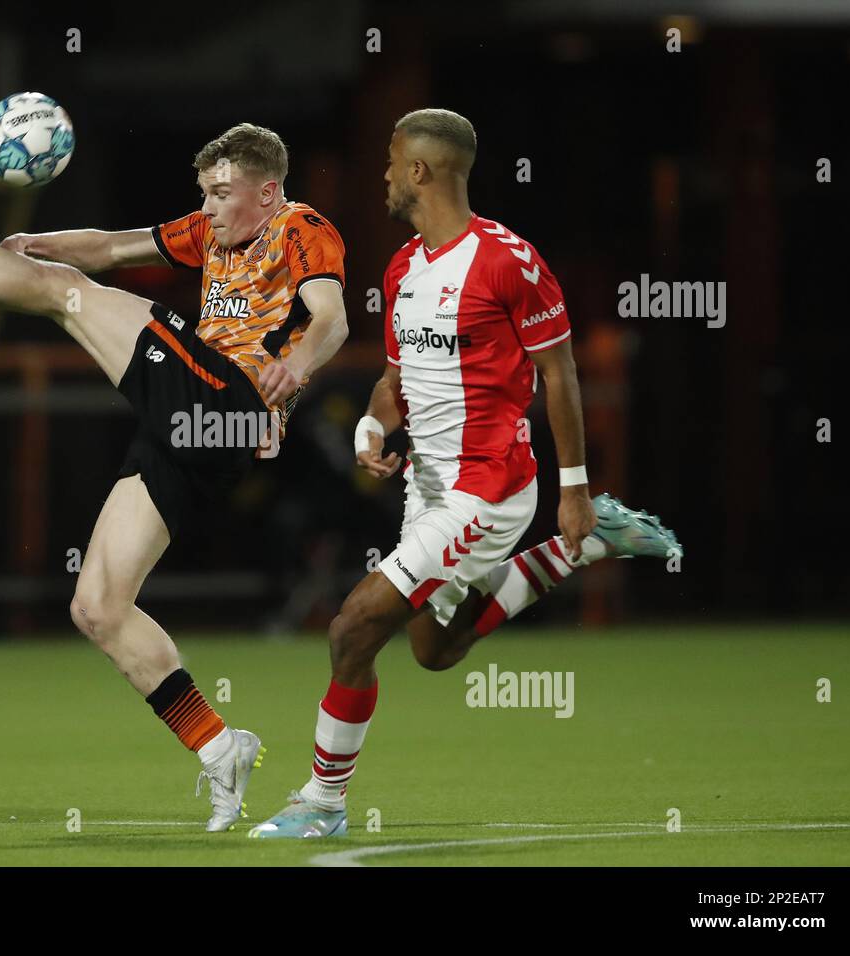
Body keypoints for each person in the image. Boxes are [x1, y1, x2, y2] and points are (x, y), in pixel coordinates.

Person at [0, 123, 349, 830]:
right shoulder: (210, 232)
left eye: (223, 194)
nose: (210, 208)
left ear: (268, 191)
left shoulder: (302, 227)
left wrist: (305, 360)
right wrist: (41, 248)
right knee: (98, 606)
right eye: (204, 194)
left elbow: (333, 318)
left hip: (229, 399)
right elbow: (111, 246)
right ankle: (219, 746)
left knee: (64, 297)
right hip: (192, 430)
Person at [249, 109, 682, 839]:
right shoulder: (403, 267)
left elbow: (561, 372)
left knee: (354, 627)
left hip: (489, 488)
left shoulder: (508, 259)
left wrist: (571, 487)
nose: (382, 175)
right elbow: (394, 381)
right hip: (428, 488)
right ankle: (582, 545)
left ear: (420, 170)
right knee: (434, 649)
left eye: (390, 162)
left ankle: (322, 804)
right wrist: (368, 426)